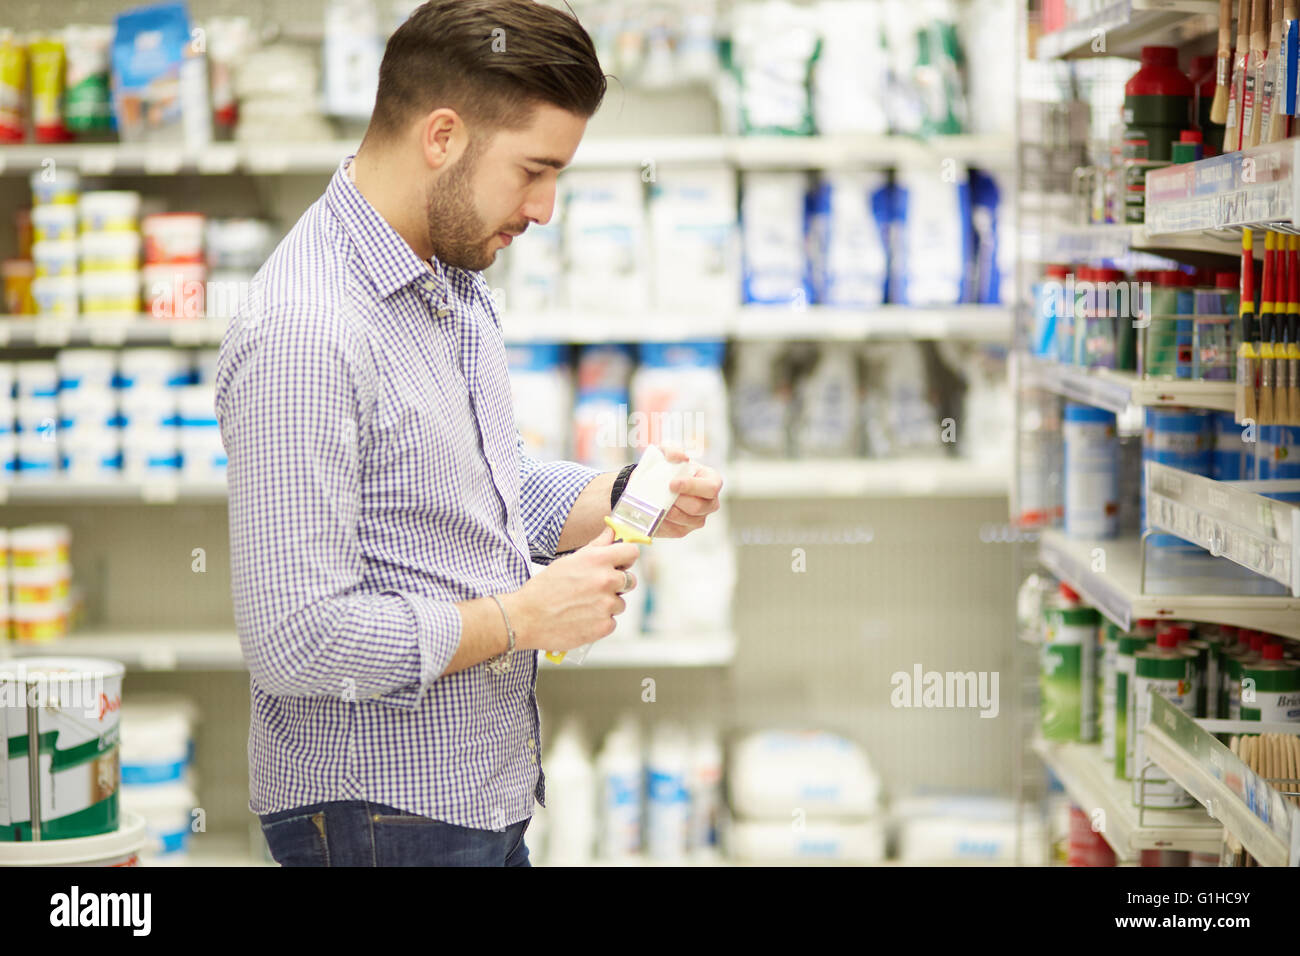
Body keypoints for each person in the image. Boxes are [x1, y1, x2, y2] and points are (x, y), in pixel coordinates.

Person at [214, 0, 723, 867]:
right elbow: (297, 638)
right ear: (442, 136)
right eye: (534, 170)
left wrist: (623, 495)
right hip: (376, 821)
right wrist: (522, 617)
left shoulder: (443, 279)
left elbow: (484, 483)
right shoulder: (308, 330)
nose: (548, 207)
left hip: (469, 798)